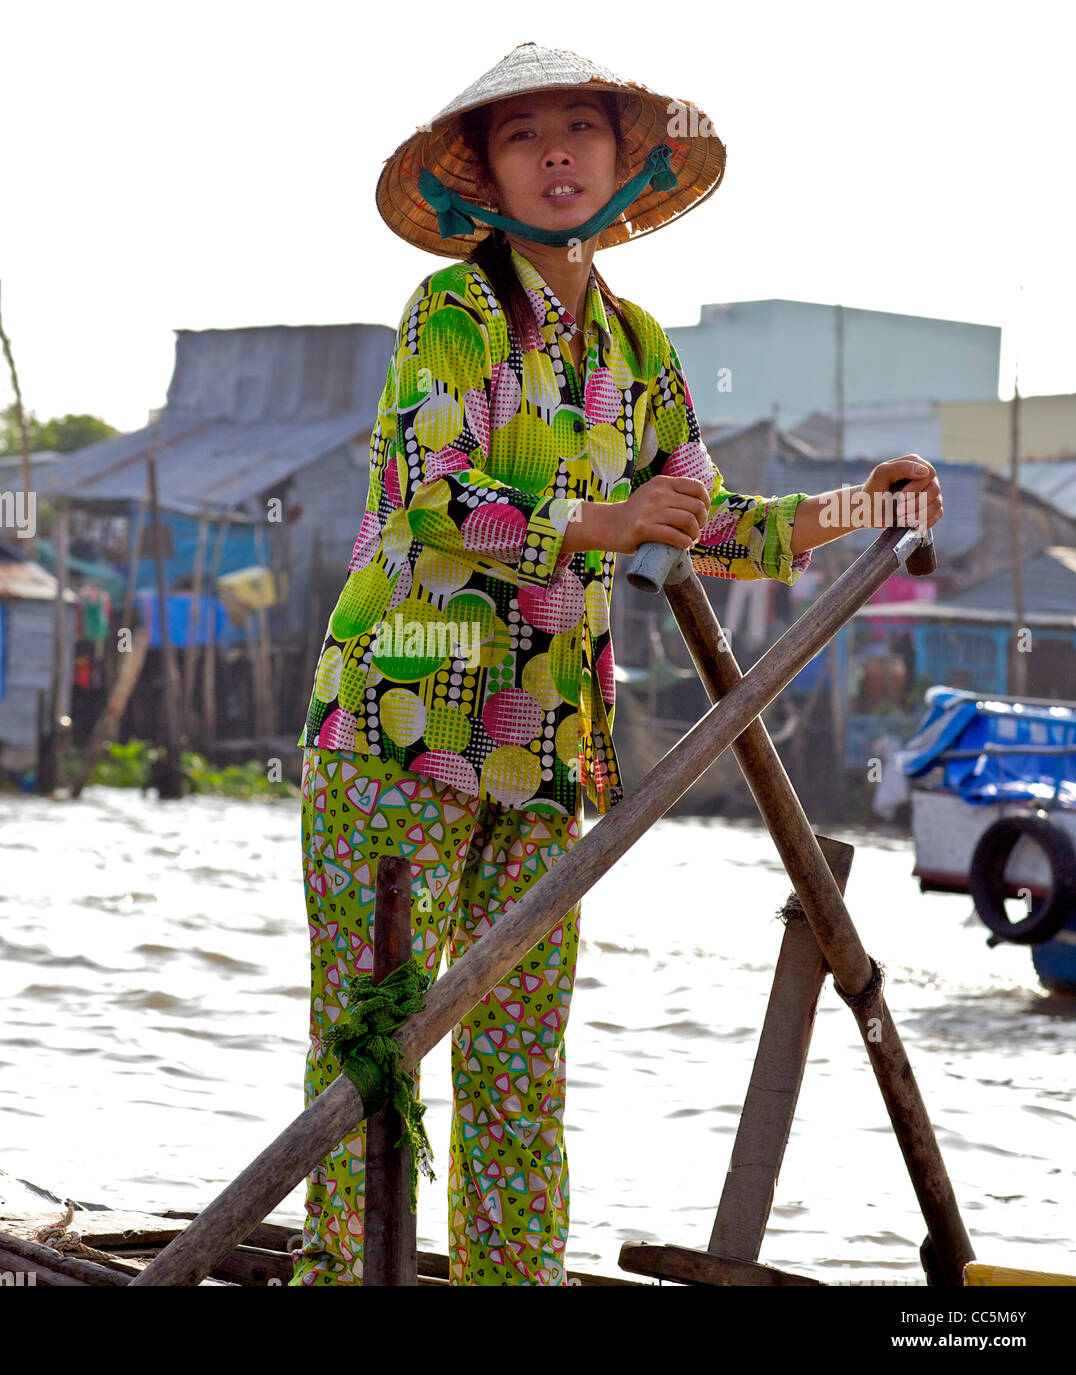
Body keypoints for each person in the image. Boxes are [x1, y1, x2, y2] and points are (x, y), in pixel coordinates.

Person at [291, 41, 943, 1287]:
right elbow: (435, 495)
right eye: (521, 133)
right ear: (479, 170)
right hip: (395, 730)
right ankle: (343, 1278)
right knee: (374, 1044)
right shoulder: (454, 315)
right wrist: (592, 522)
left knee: (519, 1058)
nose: (553, 154)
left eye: (578, 129)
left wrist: (859, 510)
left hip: (541, 755)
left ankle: (513, 1284)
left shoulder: (638, 349)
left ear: (621, 158)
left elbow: (706, 522)